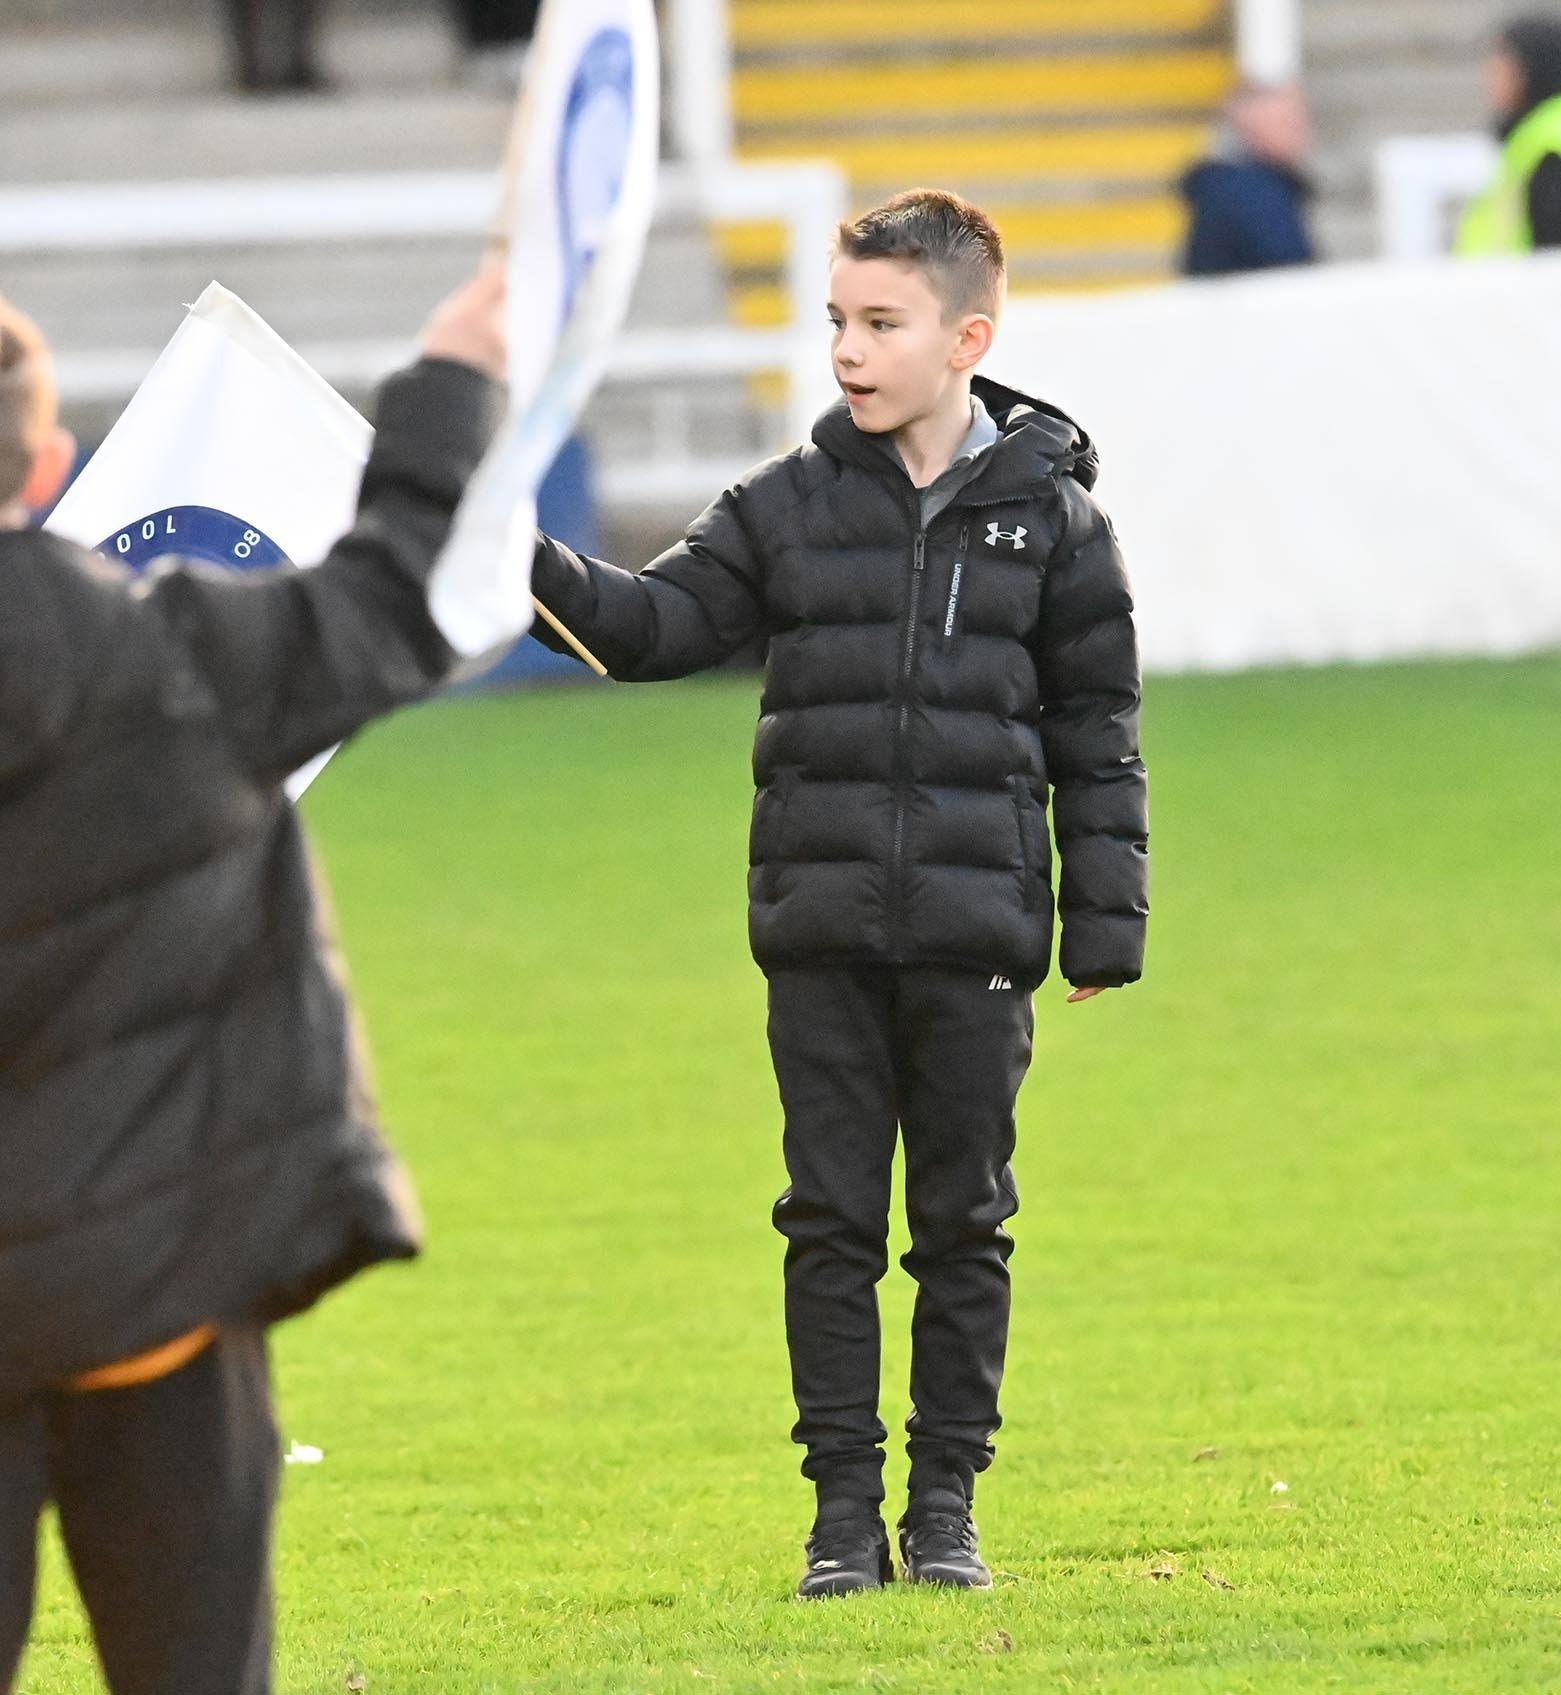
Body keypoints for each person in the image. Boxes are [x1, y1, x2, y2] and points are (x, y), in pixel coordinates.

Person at [527, 189, 1149, 1597]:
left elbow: (1095, 732)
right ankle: (836, 1515)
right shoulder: (781, 508)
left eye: (880, 323)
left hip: (975, 938)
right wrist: (516, 556)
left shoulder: (1054, 529)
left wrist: (1104, 921)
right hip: (816, 938)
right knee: (825, 1220)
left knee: (962, 1222)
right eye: (835, 323)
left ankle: (943, 1508)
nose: (848, 351)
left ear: (965, 336)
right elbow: (646, 626)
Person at [0, 263, 505, 1694]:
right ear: (48, 462)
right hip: (156, 1301)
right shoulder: (180, 652)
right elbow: (398, 596)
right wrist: (452, 377)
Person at [1457, 14, 1561, 254]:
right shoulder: (1538, 131)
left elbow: (1552, 252)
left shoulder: (1551, 141)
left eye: (1502, 67)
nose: (1490, 79)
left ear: (1532, 68)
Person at [1179, 82, 1317, 277]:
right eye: (1289, 122)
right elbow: (1289, 264)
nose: (1303, 133)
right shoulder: (1248, 192)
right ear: (1252, 128)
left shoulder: (1227, 185)